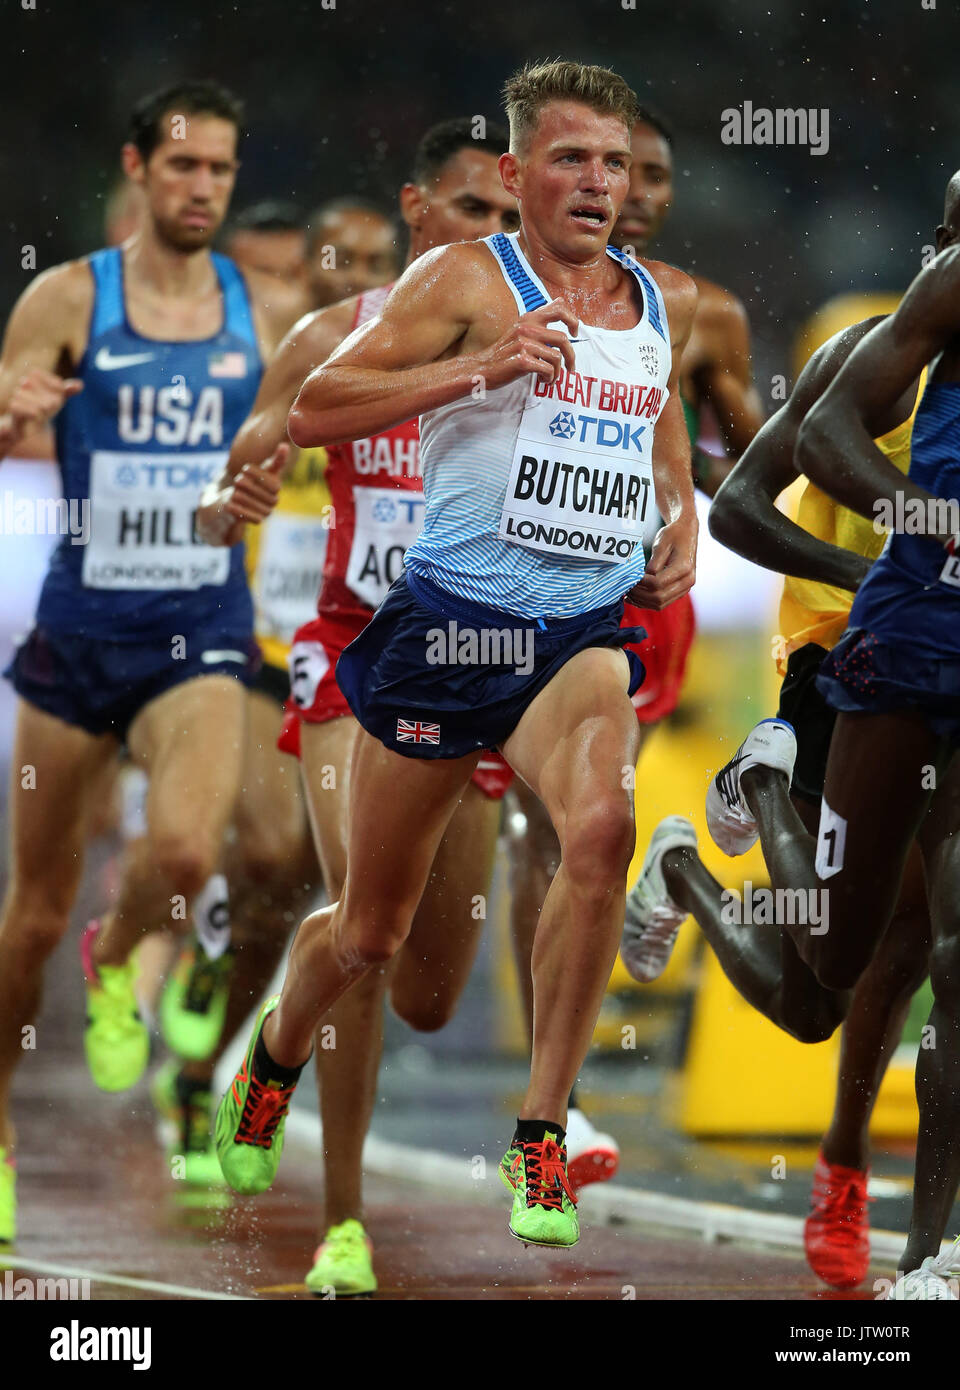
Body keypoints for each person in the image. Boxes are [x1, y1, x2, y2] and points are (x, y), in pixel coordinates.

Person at [213, 58, 698, 1253]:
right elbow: (317, 407)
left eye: (618, 164)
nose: (601, 183)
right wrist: (479, 369)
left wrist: (676, 519)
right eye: (573, 159)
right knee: (372, 935)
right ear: (517, 171)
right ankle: (272, 1060)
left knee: (598, 831)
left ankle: (539, 1130)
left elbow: (661, 427)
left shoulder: (647, 301)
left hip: (576, 637)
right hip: (444, 633)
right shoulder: (465, 279)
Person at [198, 117, 519, 1292]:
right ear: (418, 215)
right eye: (472, 211)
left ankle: (284, 1014)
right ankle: (344, 1222)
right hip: (351, 660)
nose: (494, 233)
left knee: (435, 994)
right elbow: (262, 432)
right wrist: (241, 475)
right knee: (365, 934)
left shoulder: (545, 338)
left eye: (507, 212)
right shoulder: (337, 333)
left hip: (476, 664)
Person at [626, 179, 960, 1297]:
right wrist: (877, 564)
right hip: (841, 670)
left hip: (928, 668)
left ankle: (872, 1195)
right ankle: (744, 801)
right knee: (838, 979)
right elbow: (744, 501)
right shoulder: (872, 354)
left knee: (915, 958)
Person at [0, 79, 293, 1245]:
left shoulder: (258, 308)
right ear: (137, 168)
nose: (203, 189)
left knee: (182, 850)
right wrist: (12, 407)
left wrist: (265, 482)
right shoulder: (69, 295)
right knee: (25, 919)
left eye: (220, 170)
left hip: (200, 629)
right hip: (77, 635)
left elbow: (298, 435)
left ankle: (118, 955)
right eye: (183, 168)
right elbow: (12, 416)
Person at [506, 105, 764, 1190]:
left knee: (572, 830)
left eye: (651, 175)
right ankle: (548, 1080)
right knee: (535, 835)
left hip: (642, 598)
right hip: (513, 593)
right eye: (615, 168)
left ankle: (553, 1099)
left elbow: (748, 456)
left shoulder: (703, 312)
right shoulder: (516, 286)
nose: (636, 191)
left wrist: (710, 506)